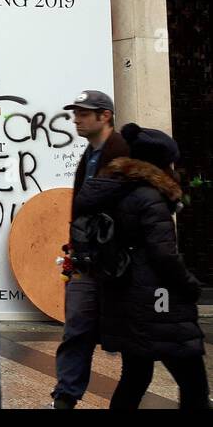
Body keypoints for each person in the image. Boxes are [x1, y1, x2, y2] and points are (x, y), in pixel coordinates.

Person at [73, 124, 207, 410]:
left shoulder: (117, 191)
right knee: (193, 381)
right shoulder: (150, 198)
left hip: (125, 297)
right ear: (161, 164)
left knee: (135, 376)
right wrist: (189, 285)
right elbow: (164, 255)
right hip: (158, 301)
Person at [51, 89, 128, 409]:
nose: (76, 120)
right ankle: (65, 397)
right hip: (86, 260)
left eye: (83, 114)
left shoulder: (122, 153)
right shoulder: (90, 155)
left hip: (116, 263)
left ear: (104, 116)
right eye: (75, 114)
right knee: (76, 328)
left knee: (128, 339)